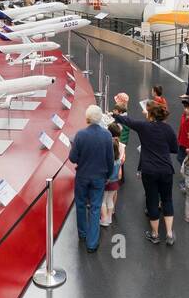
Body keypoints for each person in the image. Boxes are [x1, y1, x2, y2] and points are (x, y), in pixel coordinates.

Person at [111, 98, 181, 246]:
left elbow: (127, 121)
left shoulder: (144, 126)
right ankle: (169, 234)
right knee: (167, 199)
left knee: (152, 200)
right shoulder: (167, 129)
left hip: (149, 170)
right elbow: (174, 148)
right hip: (166, 169)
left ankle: (155, 234)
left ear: (150, 115)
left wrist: (114, 115)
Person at [68, 104, 114, 253]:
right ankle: (92, 243)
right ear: (100, 118)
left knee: (80, 204)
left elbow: (73, 158)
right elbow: (110, 159)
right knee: (95, 208)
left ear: (87, 118)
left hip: (82, 176)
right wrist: (108, 175)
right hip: (99, 177)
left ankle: (82, 234)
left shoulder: (80, 135)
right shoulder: (107, 135)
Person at [100, 123, 124, 227]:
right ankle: (109, 217)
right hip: (115, 183)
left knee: (103, 201)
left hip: (107, 183)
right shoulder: (118, 161)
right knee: (110, 200)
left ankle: (104, 219)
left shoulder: (107, 161)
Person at [176, 97, 189, 167]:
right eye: (185, 107)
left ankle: (187, 172)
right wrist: (178, 139)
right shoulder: (183, 116)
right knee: (179, 158)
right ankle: (186, 170)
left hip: (188, 145)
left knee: (184, 159)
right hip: (181, 142)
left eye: (188, 108)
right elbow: (181, 129)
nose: (185, 109)